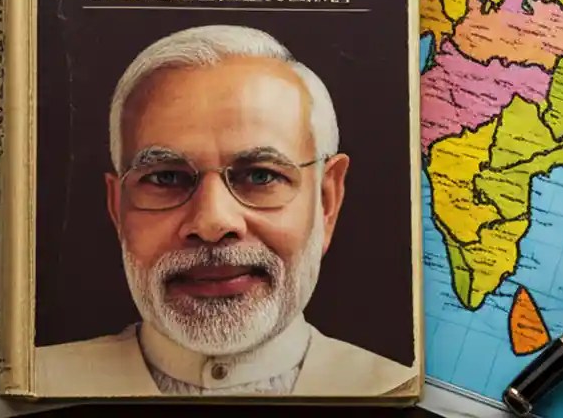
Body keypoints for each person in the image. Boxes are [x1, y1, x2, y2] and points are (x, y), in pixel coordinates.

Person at [31, 24, 417, 398]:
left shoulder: (397, 392)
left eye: (261, 176)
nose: (213, 222)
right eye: (166, 178)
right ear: (117, 208)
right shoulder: (35, 385)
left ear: (327, 200)